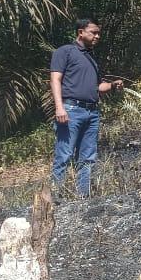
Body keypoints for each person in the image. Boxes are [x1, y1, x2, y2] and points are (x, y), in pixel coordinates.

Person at [49, 18, 124, 197]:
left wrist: (113, 85)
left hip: (92, 112)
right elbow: (55, 79)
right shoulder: (64, 51)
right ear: (81, 32)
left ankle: (84, 196)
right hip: (71, 110)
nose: (97, 36)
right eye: (93, 32)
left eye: (99, 33)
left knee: (88, 157)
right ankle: (54, 197)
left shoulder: (91, 58)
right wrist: (60, 107)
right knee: (64, 155)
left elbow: (98, 87)